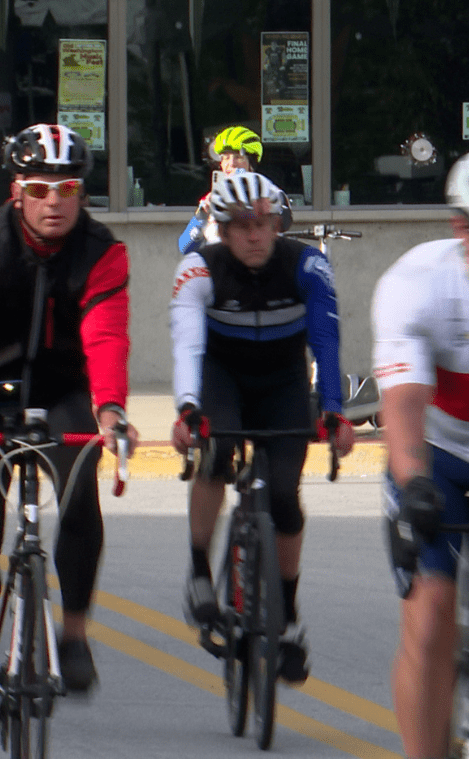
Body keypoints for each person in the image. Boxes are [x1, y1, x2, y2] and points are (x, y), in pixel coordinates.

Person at [0, 123, 139, 731]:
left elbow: (105, 336)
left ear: (82, 193)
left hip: (66, 391)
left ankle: (73, 634)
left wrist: (111, 411)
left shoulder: (103, 251)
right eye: (41, 188)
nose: (55, 201)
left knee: (78, 495)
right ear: (17, 190)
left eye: (68, 187)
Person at [169, 170, 353, 685]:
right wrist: (187, 410)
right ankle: (200, 571)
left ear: (277, 224)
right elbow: (188, 344)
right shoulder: (199, 268)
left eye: (264, 223)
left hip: (282, 382)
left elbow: (326, 338)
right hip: (221, 376)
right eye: (242, 225)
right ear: (223, 231)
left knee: (285, 499)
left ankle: (288, 615)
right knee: (215, 447)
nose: (254, 234)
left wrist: (333, 410)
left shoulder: (307, 265)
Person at [372, 145, 469, 759]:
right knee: (430, 617)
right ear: (461, 230)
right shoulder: (416, 282)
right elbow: (402, 404)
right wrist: (415, 486)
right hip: (436, 458)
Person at [177, 125, 292, 254]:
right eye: (225, 158)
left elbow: (285, 223)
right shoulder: (213, 198)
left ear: (251, 162)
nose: (231, 163)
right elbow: (184, 248)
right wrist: (202, 216)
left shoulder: (271, 192)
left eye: (238, 157)